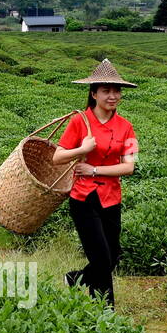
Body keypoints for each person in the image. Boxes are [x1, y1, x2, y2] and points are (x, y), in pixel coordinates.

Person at [53, 58, 138, 309]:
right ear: (93, 93)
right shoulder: (80, 122)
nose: (113, 96)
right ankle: (105, 313)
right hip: (84, 198)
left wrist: (94, 169)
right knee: (101, 260)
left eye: (116, 91)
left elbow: (129, 166)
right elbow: (58, 157)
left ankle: (75, 279)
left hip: (112, 198)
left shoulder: (126, 127)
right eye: (106, 91)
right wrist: (82, 148)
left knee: (112, 257)